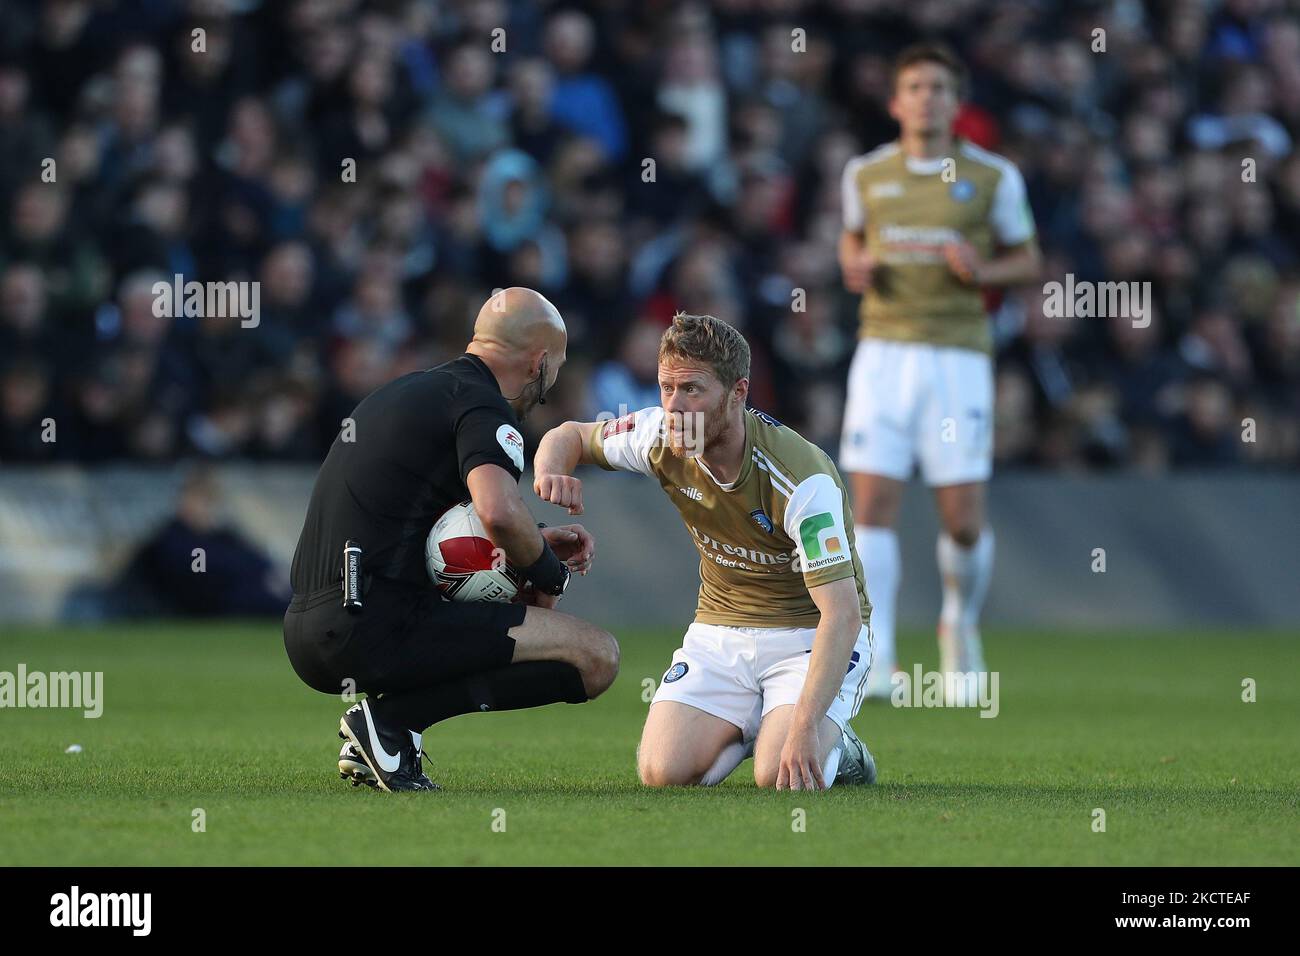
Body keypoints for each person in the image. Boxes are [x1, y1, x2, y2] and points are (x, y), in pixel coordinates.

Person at [283, 288, 618, 792]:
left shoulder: (404, 392)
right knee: (596, 657)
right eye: (555, 370)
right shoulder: (484, 406)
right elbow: (498, 510)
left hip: (311, 627)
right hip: (372, 625)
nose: (549, 386)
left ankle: (386, 732)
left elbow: (429, 529)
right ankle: (392, 724)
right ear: (540, 362)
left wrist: (537, 542)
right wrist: (547, 573)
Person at [534, 313, 875, 791]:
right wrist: (552, 469)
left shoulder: (801, 478)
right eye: (665, 387)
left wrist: (802, 728)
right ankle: (763, 720)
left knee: (783, 774)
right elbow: (568, 435)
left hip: (808, 636)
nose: (674, 405)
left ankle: (836, 743)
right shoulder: (660, 435)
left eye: (692, 389)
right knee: (661, 774)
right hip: (722, 630)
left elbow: (841, 616)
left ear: (738, 392)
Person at [837, 43, 1041, 701]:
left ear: (957, 103)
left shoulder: (991, 178)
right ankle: (879, 650)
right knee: (871, 507)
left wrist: (984, 272)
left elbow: (1027, 258)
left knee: (962, 520)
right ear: (896, 102)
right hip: (883, 353)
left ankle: (959, 622)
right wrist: (854, 264)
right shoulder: (866, 174)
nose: (927, 98)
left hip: (956, 357)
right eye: (915, 86)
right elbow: (851, 237)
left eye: (939, 88)